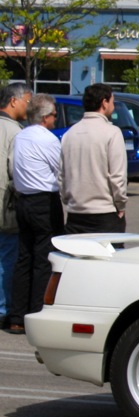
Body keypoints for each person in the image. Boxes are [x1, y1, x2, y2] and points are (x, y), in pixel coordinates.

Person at [7, 94, 63, 334]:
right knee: (43, 259)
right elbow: (61, 168)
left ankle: (18, 316)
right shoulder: (48, 139)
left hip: (23, 200)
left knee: (24, 258)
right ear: (44, 117)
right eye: (52, 116)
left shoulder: (20, 137)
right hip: (43, 200)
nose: (54, 119)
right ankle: (37, 312)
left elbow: (13, 167)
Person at [60, 83, 127, 234]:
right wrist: (121, 205)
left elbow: (62, 175)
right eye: (112, 102)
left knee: (76, 256)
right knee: (108, 256)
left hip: (75, 213)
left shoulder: (69, 134)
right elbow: (117, 177)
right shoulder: (112, 133)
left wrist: (68, 200)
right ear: (104, 102)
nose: (113, 106)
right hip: (105, 213)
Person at [0, 81, 32, 321]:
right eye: (26, 101)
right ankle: (4, 308)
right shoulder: (16, 133)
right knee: (7, 260)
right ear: (13, 101)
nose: (28, 106)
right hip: (6, 209)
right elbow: (16, 172)